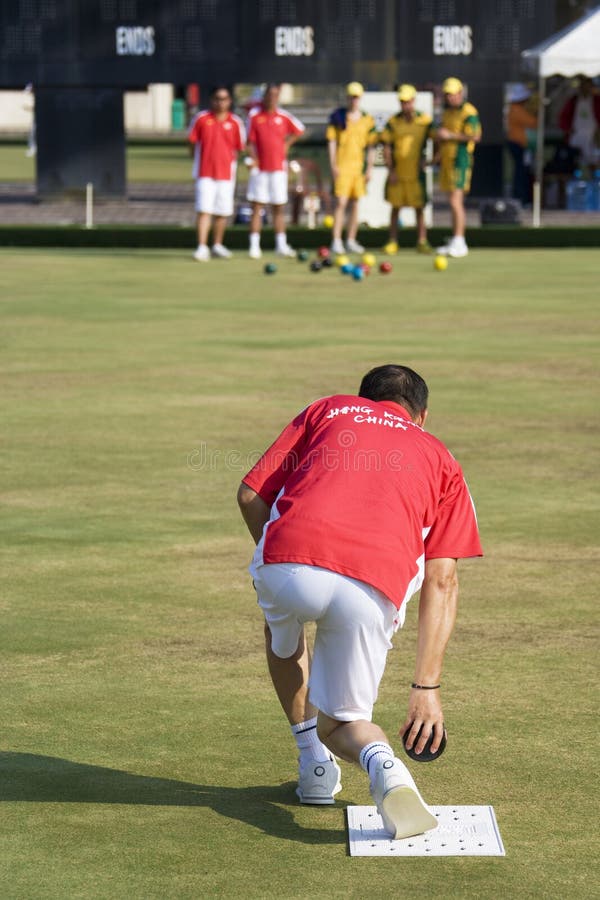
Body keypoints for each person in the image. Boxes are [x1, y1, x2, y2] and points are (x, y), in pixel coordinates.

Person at [237, 364, 483, 840]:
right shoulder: (442, 456)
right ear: (422, 416)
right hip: (373, 588)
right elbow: (443, 580)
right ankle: (384, 766)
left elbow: (250, 495)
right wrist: (426, 688)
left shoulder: (329, 409)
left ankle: (314, 767)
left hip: (287, 566)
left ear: (364, 399)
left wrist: (277, 559)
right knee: (343, 725)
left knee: (283, 634)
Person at [246, 84, 305, 259]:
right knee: (257, 207)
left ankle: (281, 245)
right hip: (260, 170)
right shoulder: (255, 116)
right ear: (264, 96)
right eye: (269, 95)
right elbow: (248, 141)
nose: (272, 98)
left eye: (275, 95)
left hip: (279, 169)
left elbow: (299, 130)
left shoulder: (283, 116)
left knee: (278, 207)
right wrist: (253, 158)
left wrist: (286, 144)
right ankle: (254, 246)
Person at [188, 85, 246, 262]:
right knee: (204, 209)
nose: (221, 102)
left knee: (222, 211)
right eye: (217, 99)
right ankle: (202, 246)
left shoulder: (235, 122)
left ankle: (217, 245)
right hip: (204, 173)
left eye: (224, 99)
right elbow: (191, 142)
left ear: (229, 101)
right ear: (212, 100)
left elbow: (239, 147)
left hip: (226, 174)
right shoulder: (201, 118)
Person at [380, 84, 434, 255]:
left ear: (414, 101)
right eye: (402, 102)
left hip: (416, 174)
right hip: (398, 172)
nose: (405, 105)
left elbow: (438, 139)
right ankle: (392, 241)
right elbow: (387, 147)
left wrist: (432, 161)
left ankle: (422, 241)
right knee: (395, 208)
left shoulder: (425, 121)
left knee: (419, 208)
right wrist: (391, 170)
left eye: (408, 101)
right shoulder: (393, 122)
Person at [326, 82, 378, 255]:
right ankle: (336, 240)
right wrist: (333, 165)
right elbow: (332, 142)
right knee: (340, 203)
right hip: (342, 167)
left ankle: (351, 239)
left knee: (355, 203)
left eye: (356, 97)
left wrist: (369, 168)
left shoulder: (367, 119)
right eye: (351, 97)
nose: (353, 100)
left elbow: (371, 147)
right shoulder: (338, 117)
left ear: (360, 98)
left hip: (358, 168)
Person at [435, 77, 482, 258]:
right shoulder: (447, 112)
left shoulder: (469, 112)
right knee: (452, 201)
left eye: (453, 94)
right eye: (447, 94)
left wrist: (450, 135)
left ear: (460, 93)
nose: (450, 98)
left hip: (460, 160)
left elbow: (475, 136)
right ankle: (455, 238)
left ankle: (460, 241)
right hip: (447, 160)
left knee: (456, 201)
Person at [558, 75, 600, 177]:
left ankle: (594, 180)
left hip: (592, 136)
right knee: (576, 160)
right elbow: (563, 116)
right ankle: (577, 180)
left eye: (588, 85)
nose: (585, 88)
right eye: (583, 86)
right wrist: (567, 129)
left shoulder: (596, 100)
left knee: (593, 161)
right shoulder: (573, 100)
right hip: (576, 135)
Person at [506, 84, 537, 206]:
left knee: (521, 171)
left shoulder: (516, 109)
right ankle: (521, 197)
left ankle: (521, 196)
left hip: (519, 144)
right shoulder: (517, 110)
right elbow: (533, 122)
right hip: (518, 144)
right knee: (521, 172)